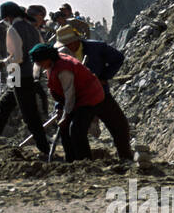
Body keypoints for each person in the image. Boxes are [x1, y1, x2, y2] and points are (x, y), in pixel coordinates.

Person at [57, 21, 134, 160]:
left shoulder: (96, 48)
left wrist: (104, 76)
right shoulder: (62, 57)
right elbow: (61, 85)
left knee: (120, 126)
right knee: (74, 132)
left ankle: (126, 158)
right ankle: (83, 163)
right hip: (79, 100)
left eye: (68, 44)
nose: (67, 48)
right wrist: (60, 106)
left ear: (75, 40)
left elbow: (118, 58)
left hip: (100, 94)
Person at [0, 2, 50, 157]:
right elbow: (40, 48)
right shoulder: (32, 29)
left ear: (8, 17)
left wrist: (3, 63)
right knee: (6, 103)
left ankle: (45, 149)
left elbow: (17, 58)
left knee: (30, 115)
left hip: (19, 73)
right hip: (30, 72)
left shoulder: (13, 29)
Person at [29, 43, 107, 162]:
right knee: (65, 130)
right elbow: (59, 92)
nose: (39, 66)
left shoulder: (64, 69)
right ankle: (70, 161)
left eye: (40, 62)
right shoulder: (51, 65)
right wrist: (60, 108)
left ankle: (84, 162)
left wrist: (65, 115)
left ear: (47, 58)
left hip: (90, 97)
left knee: (76, 129)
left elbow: (69, 94)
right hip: (76, 98)